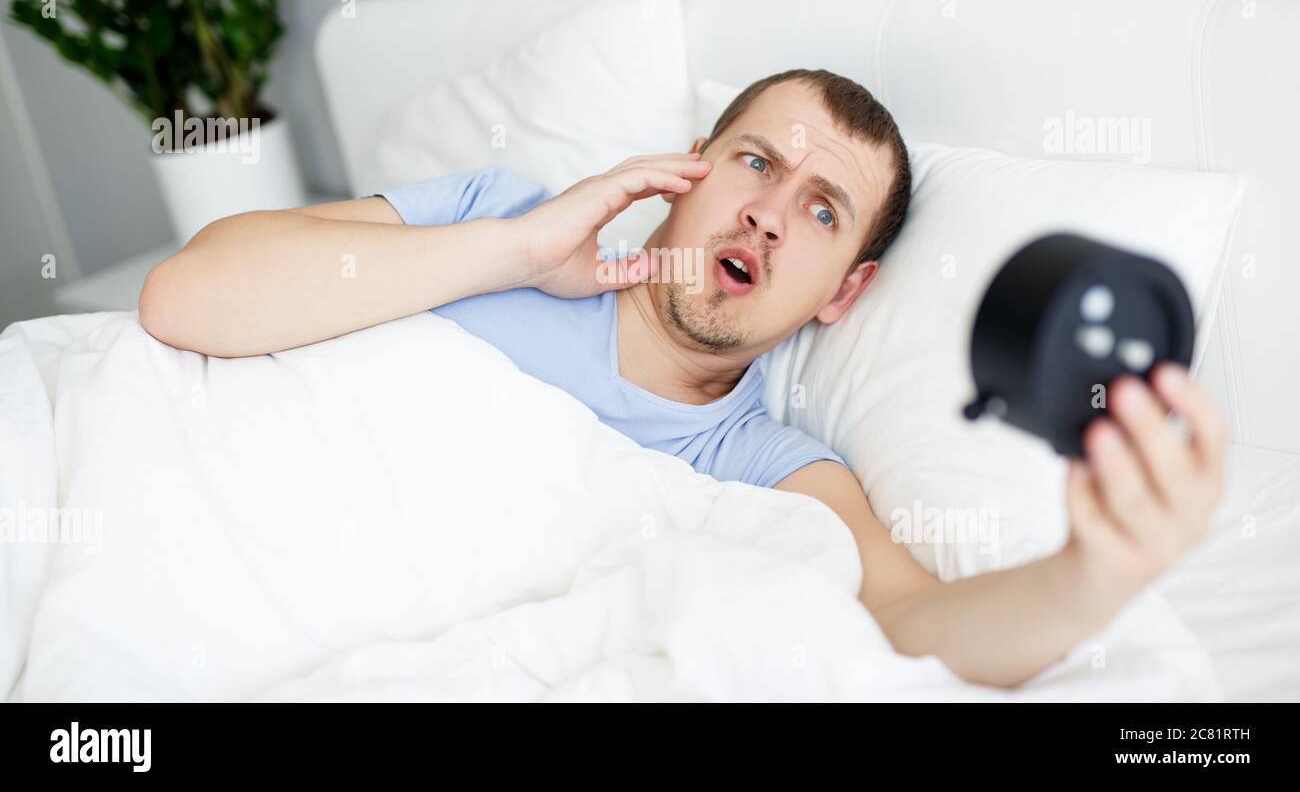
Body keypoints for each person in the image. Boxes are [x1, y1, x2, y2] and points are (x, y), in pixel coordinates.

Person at [139, 68, 1227, 689]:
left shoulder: (763, 466)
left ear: (842, 293)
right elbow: (185, 296)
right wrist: (512, 250)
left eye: (820, 208)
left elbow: (909, 627)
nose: (766, 207)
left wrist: (1094, 571)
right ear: (689, 166)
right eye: (757, 161)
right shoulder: (501, 212)